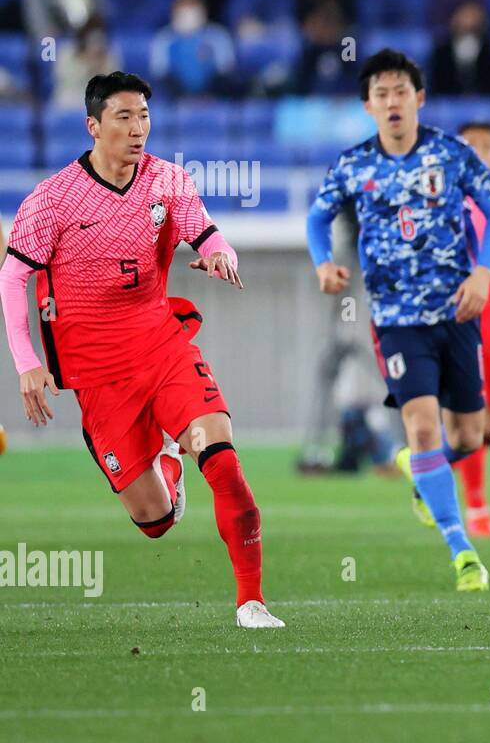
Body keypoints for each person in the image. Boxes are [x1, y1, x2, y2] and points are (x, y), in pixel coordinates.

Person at [0, 71, 283, 628]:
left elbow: (207, 233)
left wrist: (221, 254)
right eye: (124, 117)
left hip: (161, 348)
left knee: (224, 464)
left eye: (145, 117)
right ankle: (167, 465)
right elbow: (13, 280)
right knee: (155, 520)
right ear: (93, 125)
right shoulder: (51, 201)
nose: (138, 129)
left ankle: (251, 601)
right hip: (99, 376)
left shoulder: (168, 181)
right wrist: (27, 363)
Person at [306, 49, 490, 592]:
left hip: (458, 311)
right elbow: (317, 215)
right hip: (396, 320)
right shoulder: (354, 164)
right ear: (368, 105)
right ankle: (461, 550)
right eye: (381, 94)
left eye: (400, 91)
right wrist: (323, 262)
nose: (391, 101)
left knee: (472, 433)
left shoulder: (452, 153)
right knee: (422, 427)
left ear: (418, 98)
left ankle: (422, 469)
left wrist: (484, 274)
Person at [399, 121, 490, 540]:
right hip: (462, 324)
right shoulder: (444, 200)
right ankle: (477, 509)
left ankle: (426, 468)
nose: (481, 152)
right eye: (472, 145)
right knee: (470, 419)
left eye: (488, 145)